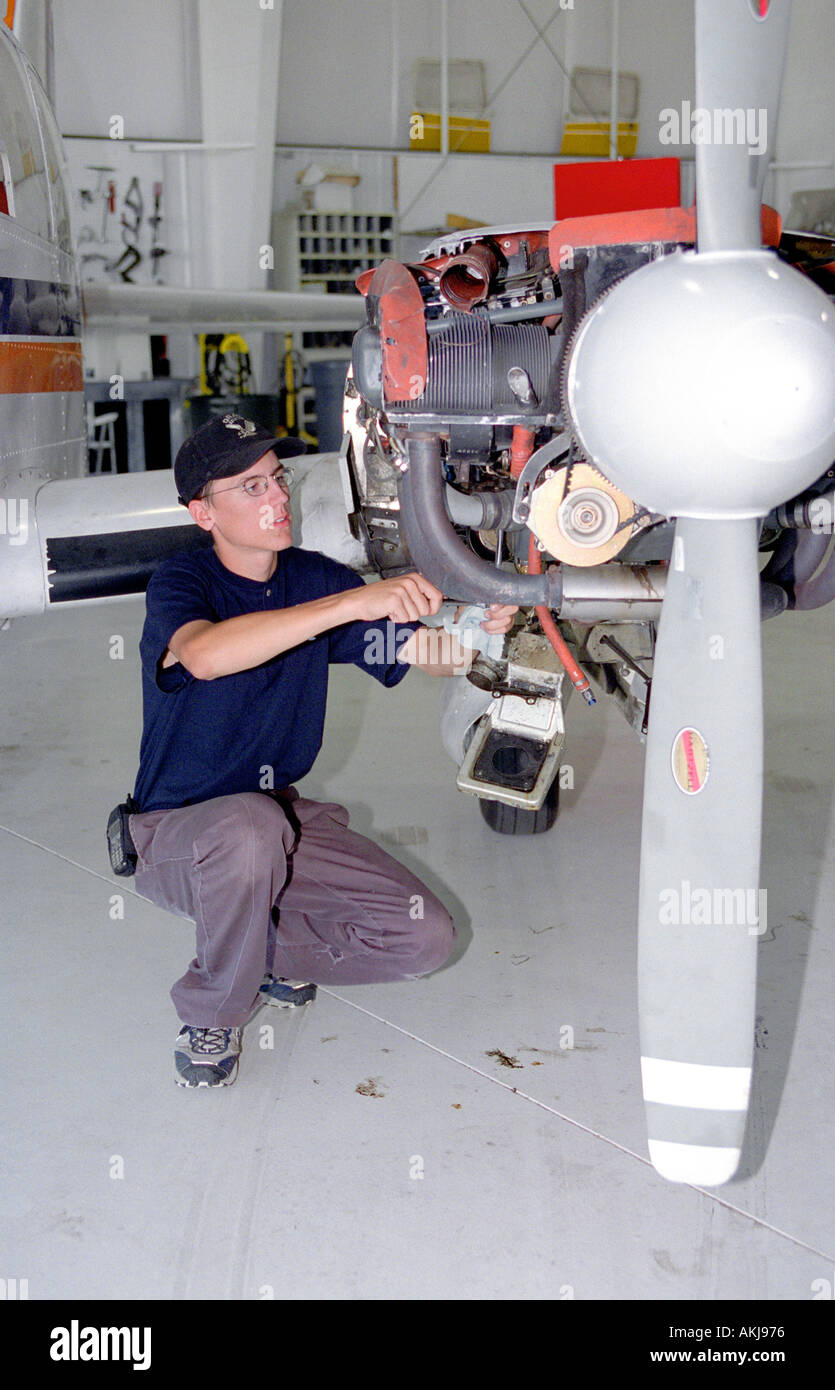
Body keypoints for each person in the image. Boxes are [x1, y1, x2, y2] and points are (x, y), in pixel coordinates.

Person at [126, 413, 517, 1088]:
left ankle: (263, 952)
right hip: (178, 834)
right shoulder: (181, 583)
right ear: (202, 512)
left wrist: (474, 628)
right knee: (248, 827)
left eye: (277, 478)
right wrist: (349, 606)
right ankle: (215, 1007)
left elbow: (421, 651)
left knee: (424, 940)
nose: (278, 497)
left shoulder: (312, 578)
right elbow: (206, 656)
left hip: (279, 822)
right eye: (250, 488)